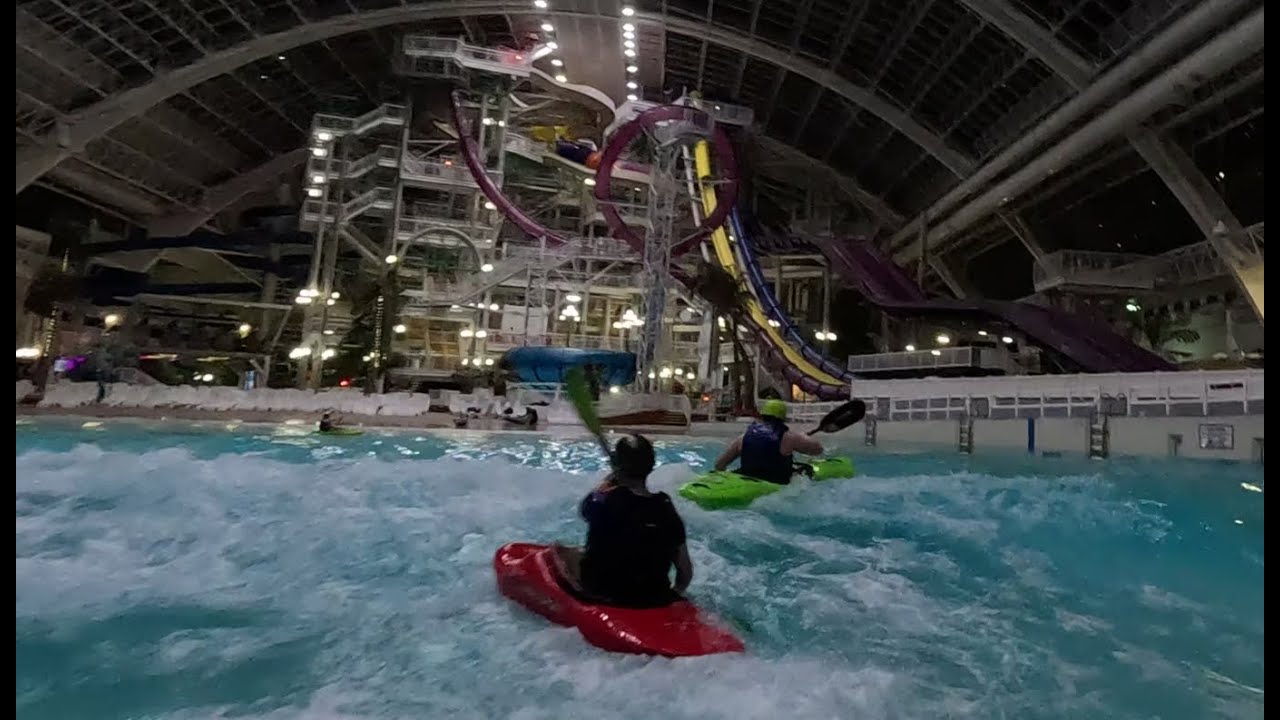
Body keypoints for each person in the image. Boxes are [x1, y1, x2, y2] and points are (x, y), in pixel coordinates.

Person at [554, 434, 693, 608]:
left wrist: (610, 479)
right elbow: (685, 573)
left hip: (605, 593)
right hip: (656, 594)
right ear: (651, 467)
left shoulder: (603, 501)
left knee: (560, 550)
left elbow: (584, 509)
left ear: (618, 468)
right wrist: (675, 594)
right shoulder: (665, 507)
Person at [713, 399, 824, 484]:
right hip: (775, 483)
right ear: (783, 418)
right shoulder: (790, 437)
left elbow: (719, 465)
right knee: (807, 470)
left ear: (762, 416)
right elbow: (818, 450)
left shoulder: (743, 437)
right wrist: (803, 437)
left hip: (746, 478)